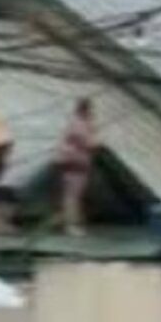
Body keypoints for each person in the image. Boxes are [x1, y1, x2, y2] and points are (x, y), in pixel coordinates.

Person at [56, 96, 98, 237]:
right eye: (90, 109)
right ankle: (70, 226)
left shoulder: (79, 122)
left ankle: (74, 223)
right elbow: (89, 143)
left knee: (74, 196)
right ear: (84, 109)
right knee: (72, 196)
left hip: (77, 164)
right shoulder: (78, 123)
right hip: (74, 164)